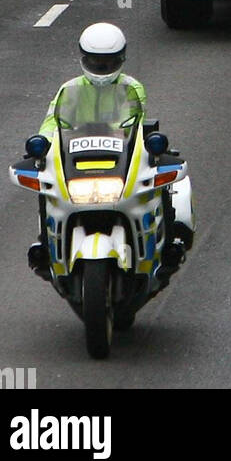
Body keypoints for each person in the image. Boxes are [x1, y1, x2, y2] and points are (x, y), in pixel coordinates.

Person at [28, 23, 193, 279]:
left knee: (163, 182)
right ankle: (45, 248)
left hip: (117, 156)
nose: (101, 68)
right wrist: (43, 143)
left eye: (108, 61)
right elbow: (53, 121)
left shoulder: (132, 87)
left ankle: (168, 242)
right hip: (77, 155)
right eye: (95, 61)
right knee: (48, 189)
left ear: (121, 58)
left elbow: (133, 125)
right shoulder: (68, 89)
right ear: (84, 58)